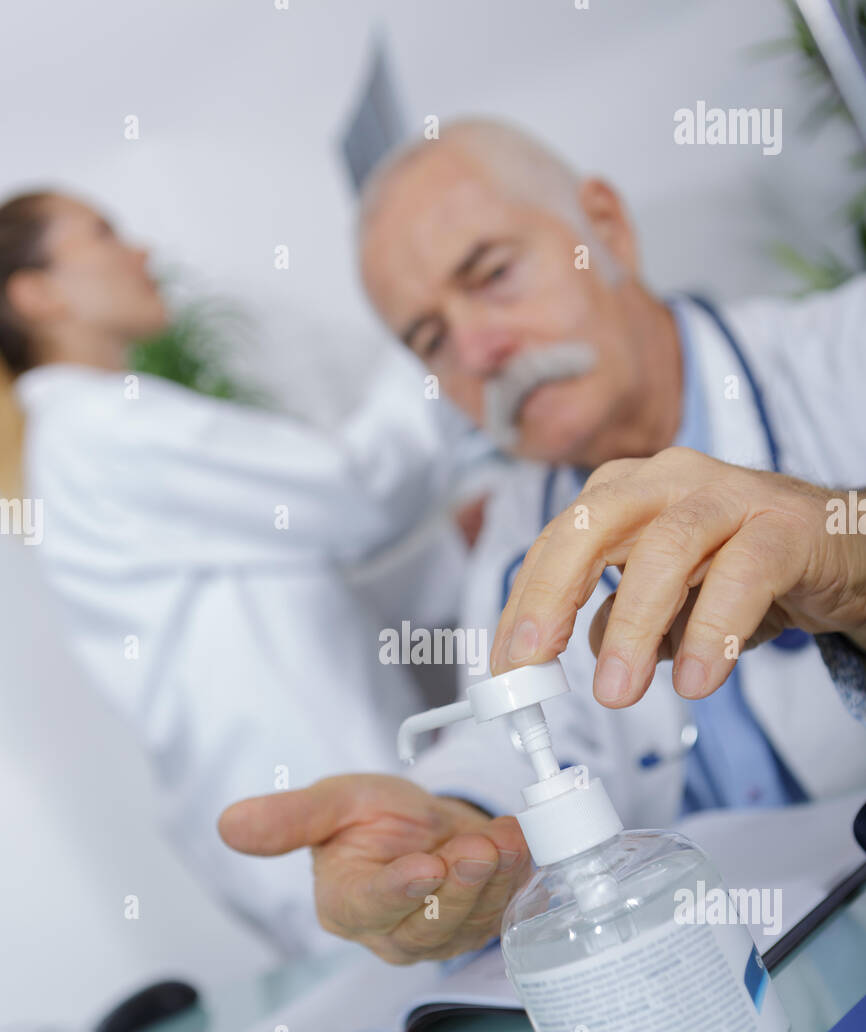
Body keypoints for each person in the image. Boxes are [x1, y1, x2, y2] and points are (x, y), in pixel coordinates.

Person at [219, 117, 866, 964]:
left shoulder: (846, 353)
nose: (481, 350)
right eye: (432, 340)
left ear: (606, 227)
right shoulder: (514, 542)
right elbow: (516, 743)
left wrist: (848, 562)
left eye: (491, 274)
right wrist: (454, 825)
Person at [0, 189, 474, 957]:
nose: (142, 252)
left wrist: (453, 545)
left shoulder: (87, 431)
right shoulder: (104, 426)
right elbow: (355, 491)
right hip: (310, 809)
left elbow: (291, 581)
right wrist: (426, 325)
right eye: (103, 232)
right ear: (37, 293)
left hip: (287, 806)